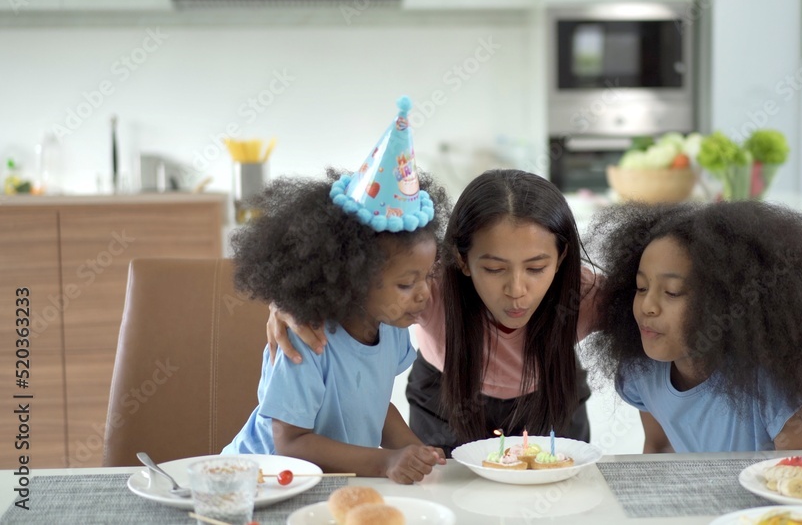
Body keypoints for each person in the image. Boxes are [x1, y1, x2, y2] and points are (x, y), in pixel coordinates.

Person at [268, 169, 599, 454]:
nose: (516, 290)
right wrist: (288, 301)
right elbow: (354, 268)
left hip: (552, 397)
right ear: (461, 259)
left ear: (561, 257)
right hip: (446, 402)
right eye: (494, 269)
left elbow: (638, 301)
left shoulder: (584, 293)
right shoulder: (429, 282)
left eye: (536, 267)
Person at [223, 97, 448, 484]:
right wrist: (385, 462)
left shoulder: (391, 326)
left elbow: (375, 406)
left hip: (328, 483)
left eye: (428, 277)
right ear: (352, 277)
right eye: (406, 283)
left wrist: (416, 450)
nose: (424, 294)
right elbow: (290, 443)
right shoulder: (306, 341)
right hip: (258, 481)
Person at [585, 200, 802, 453]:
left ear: (724, 302)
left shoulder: (774, 387)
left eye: (672, 292)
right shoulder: (642, 371)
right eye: (641, 288)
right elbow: (659, 448)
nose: (647, 306)